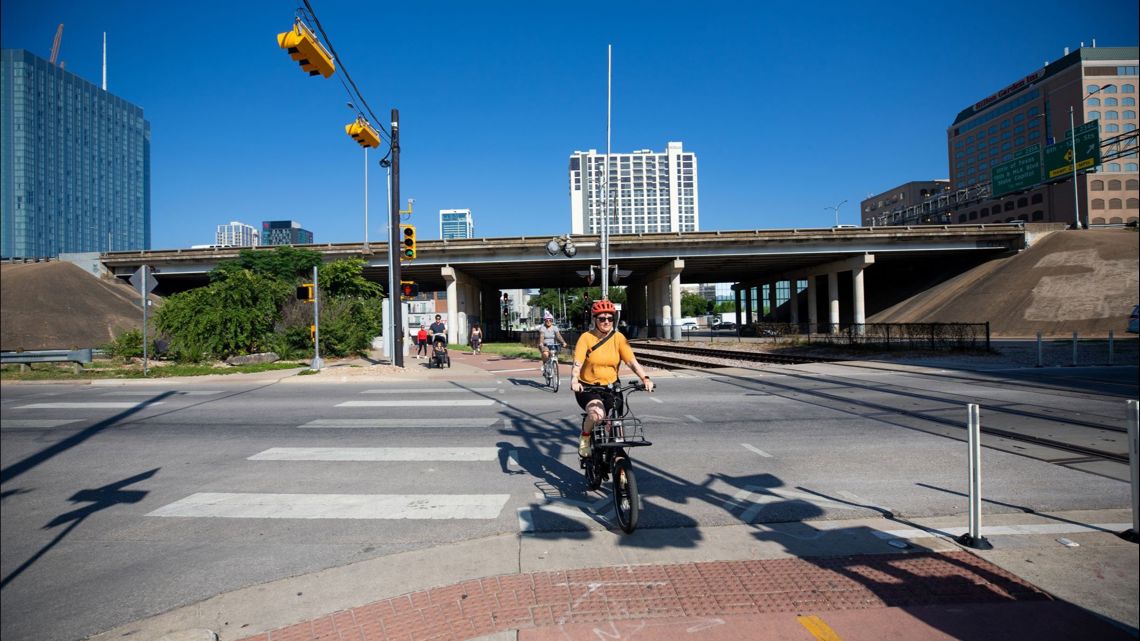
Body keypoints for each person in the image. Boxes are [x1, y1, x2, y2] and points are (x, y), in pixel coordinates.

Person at [570, 299, 654, 458]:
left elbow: (631, 361)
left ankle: (616, 457)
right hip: (588, 387)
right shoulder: (586, 338)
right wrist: (574, 380)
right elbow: (578, 362)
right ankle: (586, 436)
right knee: (598, 415)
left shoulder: (619, 338)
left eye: (610, 318)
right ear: (594, 320)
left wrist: (645, 378)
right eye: (602, 319)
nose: (606, 322)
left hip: (612, 387)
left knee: (617, 423)